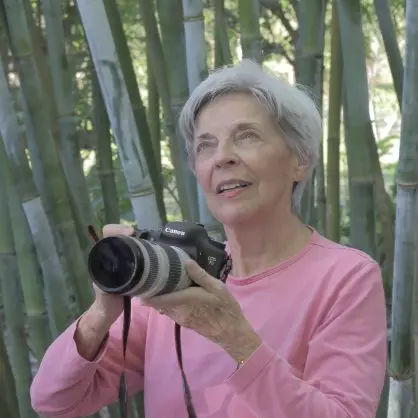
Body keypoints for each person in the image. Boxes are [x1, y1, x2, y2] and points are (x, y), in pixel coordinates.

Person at [30, 59, 387, 418]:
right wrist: (101, 313)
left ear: (301, 160)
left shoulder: (345, 278)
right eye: (205, 146)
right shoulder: (175, 276)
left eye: (247, 136)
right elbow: (53, 402)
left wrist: (237, 340)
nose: (222, 158)